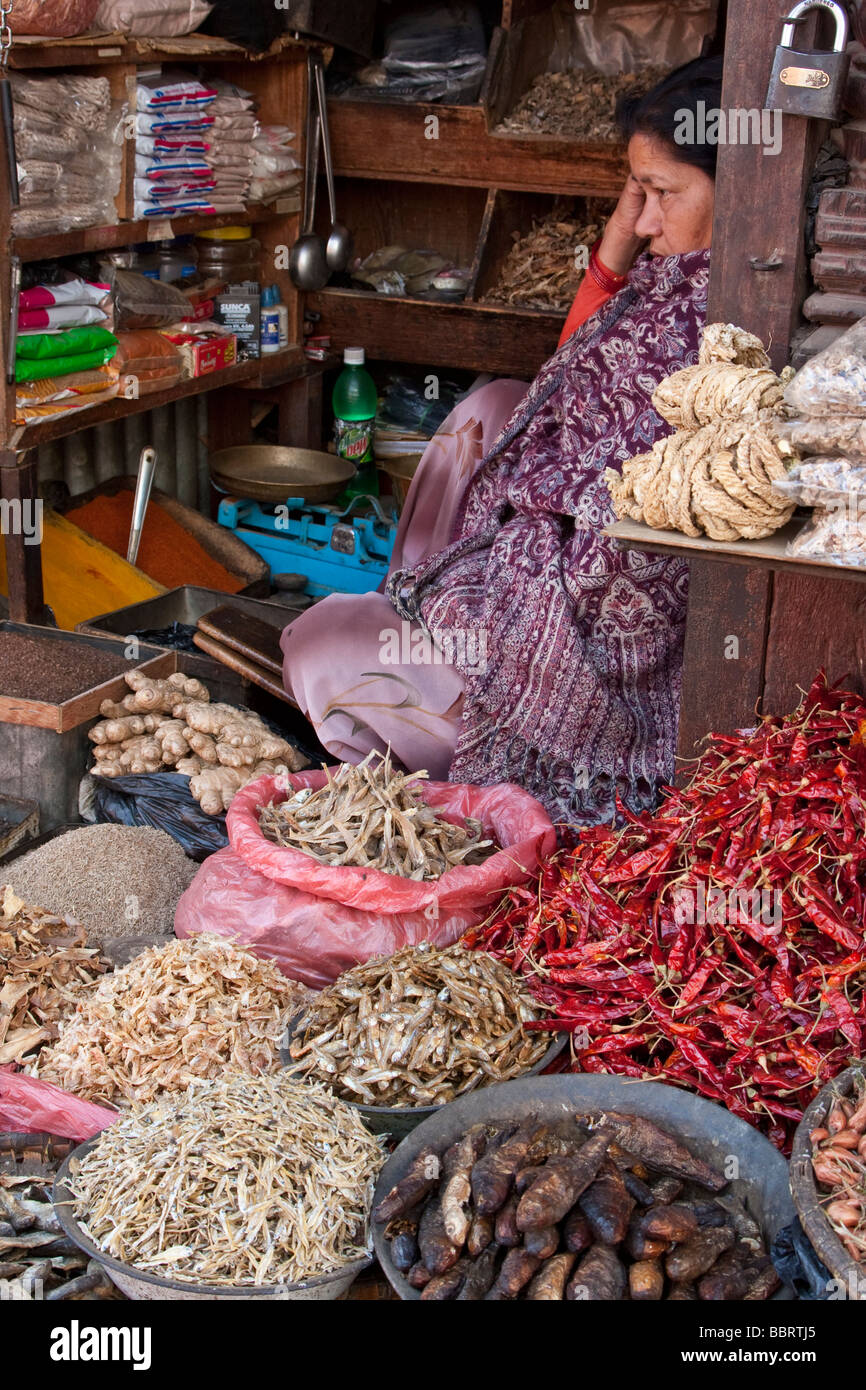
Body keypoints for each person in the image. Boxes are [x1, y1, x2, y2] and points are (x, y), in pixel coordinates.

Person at [282, 56, 722, 826]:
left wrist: (509, 560)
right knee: (493, 403)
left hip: (592, 637)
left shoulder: (708, 335)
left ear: (745, 188)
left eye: (662, 194)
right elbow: (568, 377)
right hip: (547, 560)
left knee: (321, 643)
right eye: (635, 192)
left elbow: (622, 552)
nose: (644, 219)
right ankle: (427, 615)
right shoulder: (678, 280)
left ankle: (446, 737)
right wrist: (621, 240)